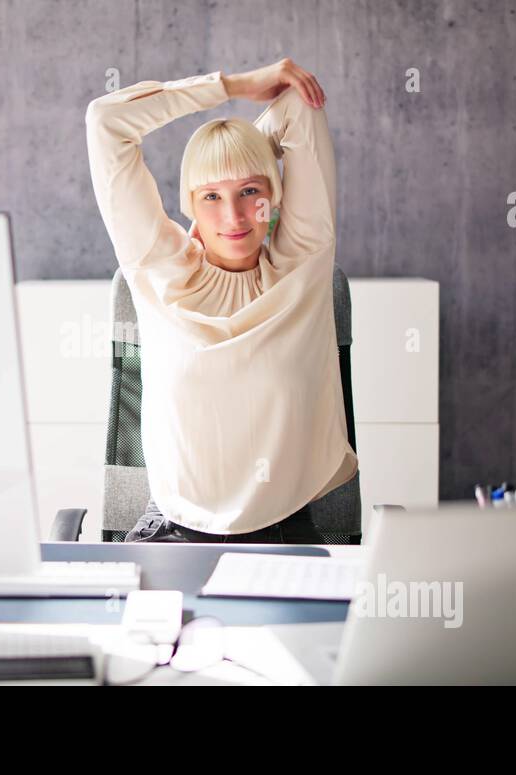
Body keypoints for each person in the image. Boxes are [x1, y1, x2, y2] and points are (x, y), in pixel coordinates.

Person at [85, 58, 357, 544]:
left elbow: (299, 105)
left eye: (250, 191)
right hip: (173, 535)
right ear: (189, 203)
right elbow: (107, 122)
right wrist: (232, 86)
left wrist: (241, 147)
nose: (233, 215)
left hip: (283, 534)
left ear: (273, 197)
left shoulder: (303, 266)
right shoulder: (158, 268)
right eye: (210, 195)